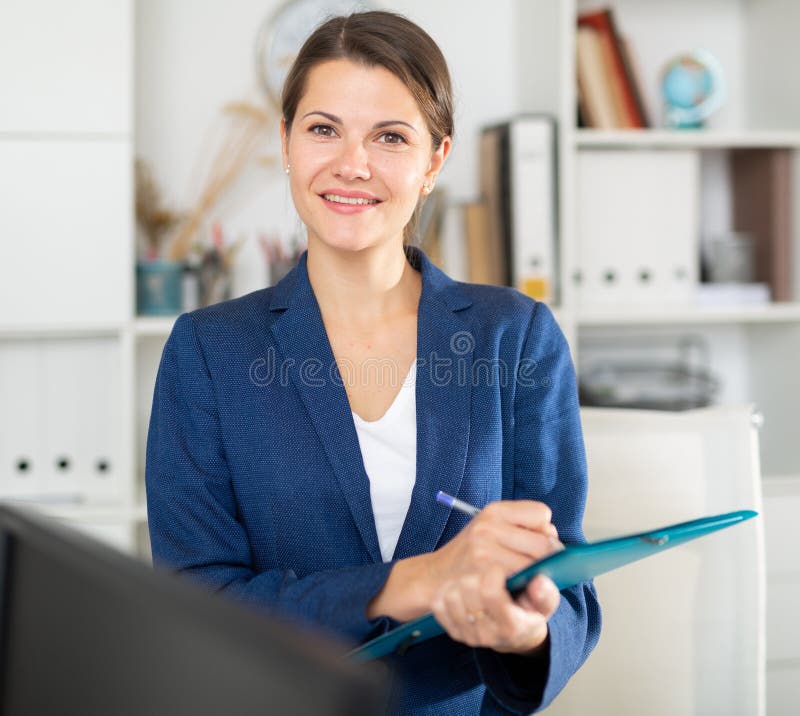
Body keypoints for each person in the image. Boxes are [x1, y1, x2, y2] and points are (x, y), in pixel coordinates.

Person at [146, 10, 600, 715]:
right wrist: (409, 583)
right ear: (287, 144)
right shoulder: (209, 351)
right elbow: (197, 600)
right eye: (323, 129)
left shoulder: (517, 337)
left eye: (390, 137)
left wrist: (527, 632)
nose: (351, 163)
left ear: (434, 162)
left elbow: (569, 588)